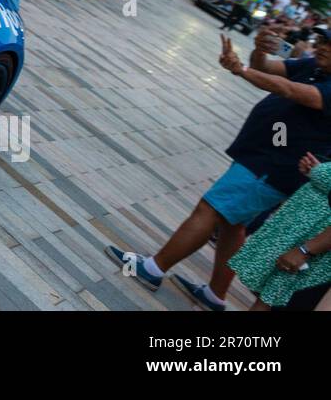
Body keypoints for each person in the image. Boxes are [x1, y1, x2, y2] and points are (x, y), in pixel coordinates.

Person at [106, 26, 331, 312]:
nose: (322, 46)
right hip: (262, 154)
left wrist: (241, 70)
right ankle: (215, 295)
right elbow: (269, 67)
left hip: (274, 165)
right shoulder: (315, 66)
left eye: (330, 44)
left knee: (210, 209)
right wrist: (259, 51)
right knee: (231, 224)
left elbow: (286, 88)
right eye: (322, 40)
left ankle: (153, 268)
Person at [230, 151, 331, 310]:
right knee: (270, 298)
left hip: (315, 245)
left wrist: (305, 250)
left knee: (273, 300)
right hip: (309, 240)